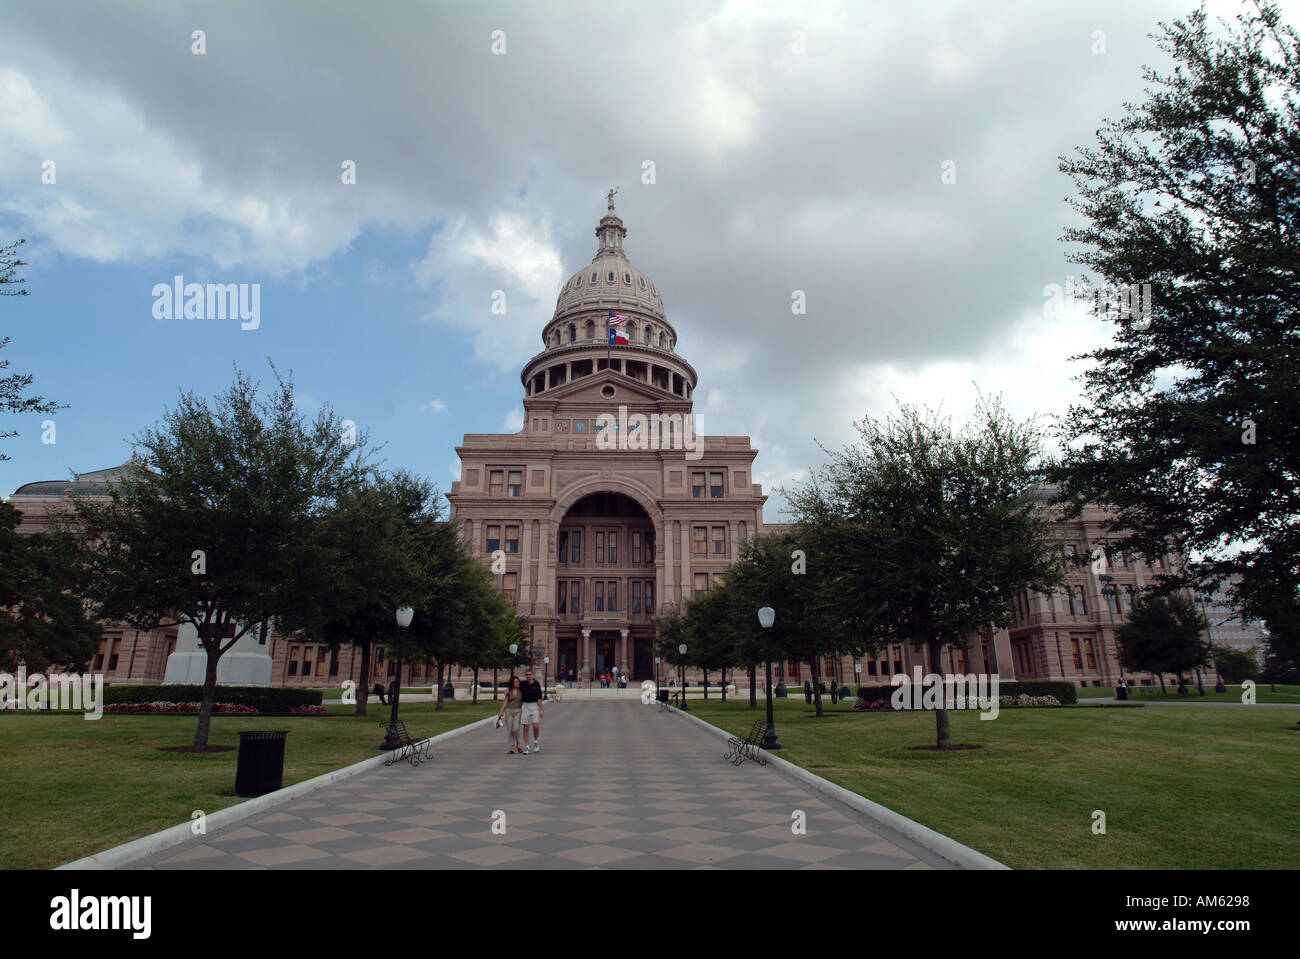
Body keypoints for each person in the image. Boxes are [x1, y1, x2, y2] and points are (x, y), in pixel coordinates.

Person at [498, 676, 524, 754]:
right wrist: (501, 712)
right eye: (515, 682)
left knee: (515, 729)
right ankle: (512, 747)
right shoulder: (508, 691)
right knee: (509, 730)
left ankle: (519, 744)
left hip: (518, 711)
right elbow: (505, 701)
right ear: (512, 683)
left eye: (518, 681)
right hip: (509, 711)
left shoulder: (521, 691)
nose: (517, 683)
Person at [520, 668, 544, 753]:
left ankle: (536, 741)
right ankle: (527, 746)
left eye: (530, 674)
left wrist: (541, 710)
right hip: (525, 705)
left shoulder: (536, 684)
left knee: (535, 725)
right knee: (525, 726)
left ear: (532, 675)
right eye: (527, 675)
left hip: (534, 705)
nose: (528, 676)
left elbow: (539, 698)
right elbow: (513, 686)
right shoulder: (522, 684)